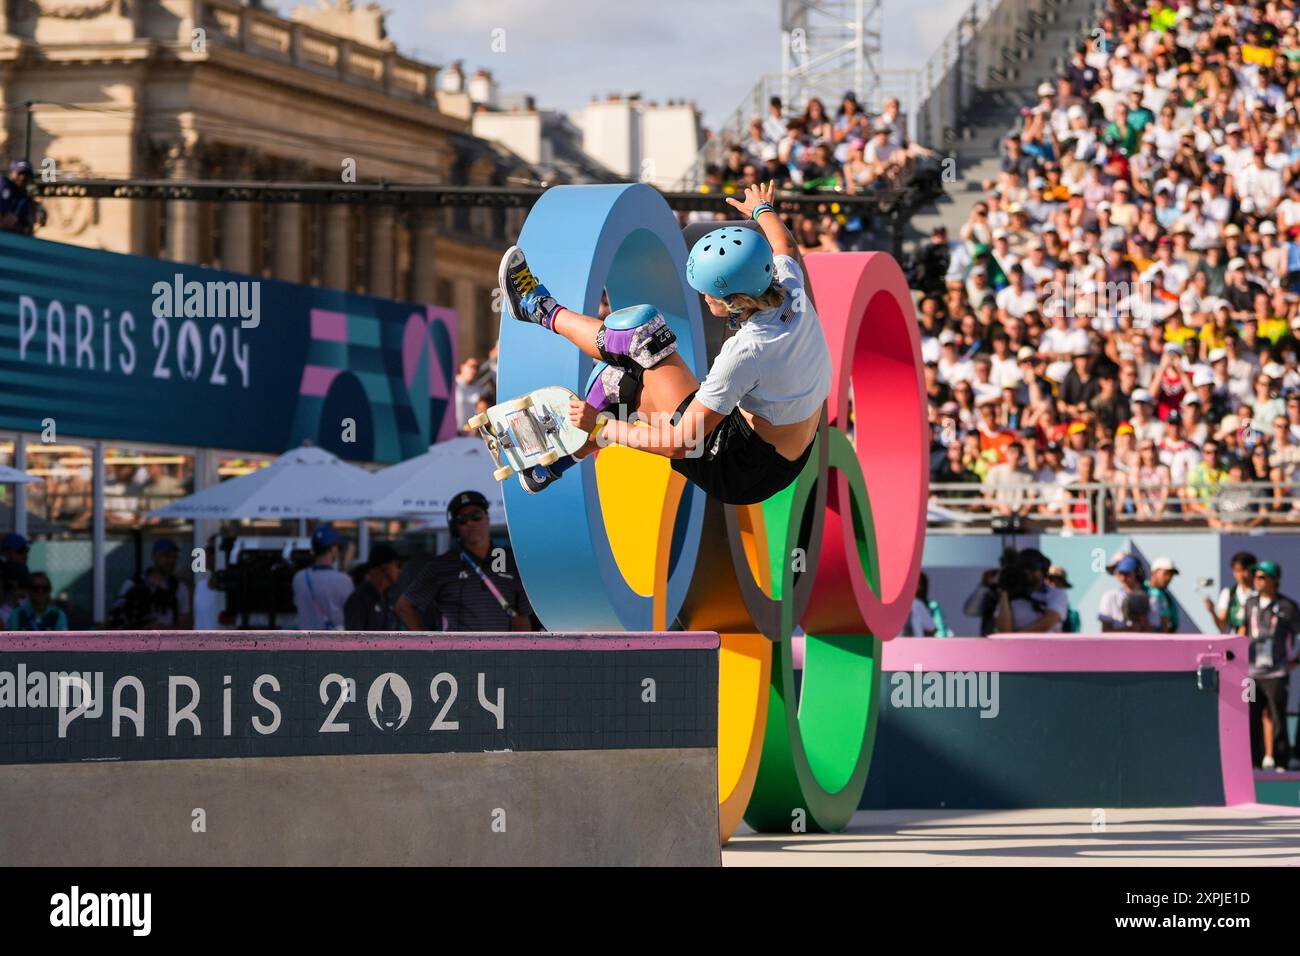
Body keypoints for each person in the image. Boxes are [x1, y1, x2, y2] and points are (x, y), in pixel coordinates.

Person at [499, 181, 831, 505]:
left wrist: (602, 427)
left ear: (733, 300)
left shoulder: (748, 351)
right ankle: (549, 469)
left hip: (737, 469)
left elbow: (680, 443)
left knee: (641, 336)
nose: (701, 296)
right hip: (786, 456)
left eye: (707, 292)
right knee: (618, 385)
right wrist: (762, 209)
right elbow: (784, 245)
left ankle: (537, 308)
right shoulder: (787, 287)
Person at [396, 491, 532, 632]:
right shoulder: (441, 565)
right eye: (462, 519)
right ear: (455, 528)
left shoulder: (510, 561)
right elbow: (404, 607)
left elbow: (521, 615)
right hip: (457, 653)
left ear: (487, 518)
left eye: (476, 516)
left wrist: (521, 651)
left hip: (502, 652)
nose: (470, 523)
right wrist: (429, 645)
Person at [1239, 561, 1298, 770]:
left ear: (1276, 581)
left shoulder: (1288, 607)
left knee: (1277, 717)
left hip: (1276, 674)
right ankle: (1253, 762)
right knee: (1249, 717)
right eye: (1256, 576)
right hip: (1251, 674)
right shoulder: (1249, 603)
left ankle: (1281, 761)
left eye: (1263, 577)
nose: (1257, 580)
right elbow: (1242, 630)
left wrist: (1296, 661)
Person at [109, 538, 193, 630]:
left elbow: (185, 627)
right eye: (166, 555)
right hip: (135, 641)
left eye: (174, 557)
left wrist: (159, 629)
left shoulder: (180, 589)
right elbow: (115, 616)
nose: (171, 560)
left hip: (167, 642)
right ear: (154, 557)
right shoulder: (132, 584)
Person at [291, 525, 353, 631]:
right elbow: (351, 613)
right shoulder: (344, 580)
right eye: (338, 547)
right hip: (333, 643)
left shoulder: (299, 578)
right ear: (333, 548)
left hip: (303, 644)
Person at [992, 548, 1068, 633]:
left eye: (1032, 568)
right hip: (1017, 645)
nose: (1027, 572)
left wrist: (1015, 637)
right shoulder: (1010, 595)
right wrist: (1004, 593)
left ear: (1043, 570)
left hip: (1047, 645)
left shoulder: (1055, 593)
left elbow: (1047, 623)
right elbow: (1004, 631)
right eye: (1022, 568)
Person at [344, 543, 405, 632]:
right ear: (385, 566)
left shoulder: (387, 599)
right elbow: (353, 640)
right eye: (398, 565)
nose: (400, 570)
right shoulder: (360, 599)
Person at [1098, 555, 1160, 632]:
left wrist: (1142, 622)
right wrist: (1132, 629)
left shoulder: (1151, 598)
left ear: (1137, 573)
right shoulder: (1109, 596)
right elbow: (1105, 631)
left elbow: (1151, 630)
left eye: (1127, 573)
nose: (1123, 578)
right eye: (1120, 573)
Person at [1147, 556, 1180, 633]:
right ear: (1154, 572)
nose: (1169, 578)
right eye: (1166, 573)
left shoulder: (1168, 598)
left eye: (1171, 575)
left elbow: (1173, 626)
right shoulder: (1139, 590)